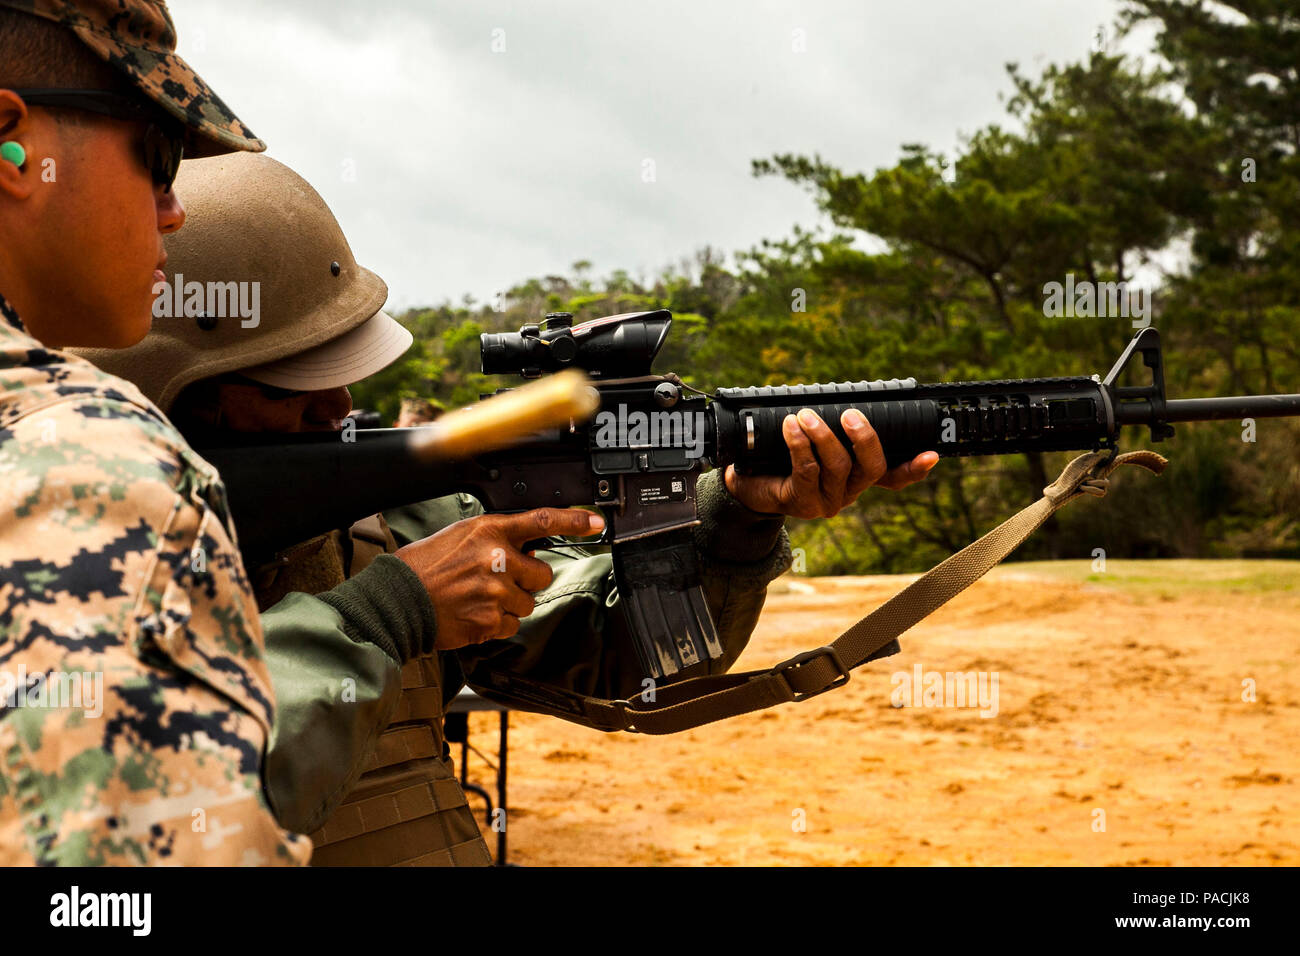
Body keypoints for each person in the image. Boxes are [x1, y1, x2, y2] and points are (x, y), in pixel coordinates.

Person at [80, 149, 941, 865]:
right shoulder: (63, 567)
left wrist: (737, 516)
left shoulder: (380, 525)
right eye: (295, 387)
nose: (340, 409)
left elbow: (627, 665)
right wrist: (394, 611)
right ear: (172, 392)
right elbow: (142, 818)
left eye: (341, 371)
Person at [0, 0, 601, 865]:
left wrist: (728, 515)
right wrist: (386, 612)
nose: (172, 210)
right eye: (156, 155)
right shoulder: (88, 460)